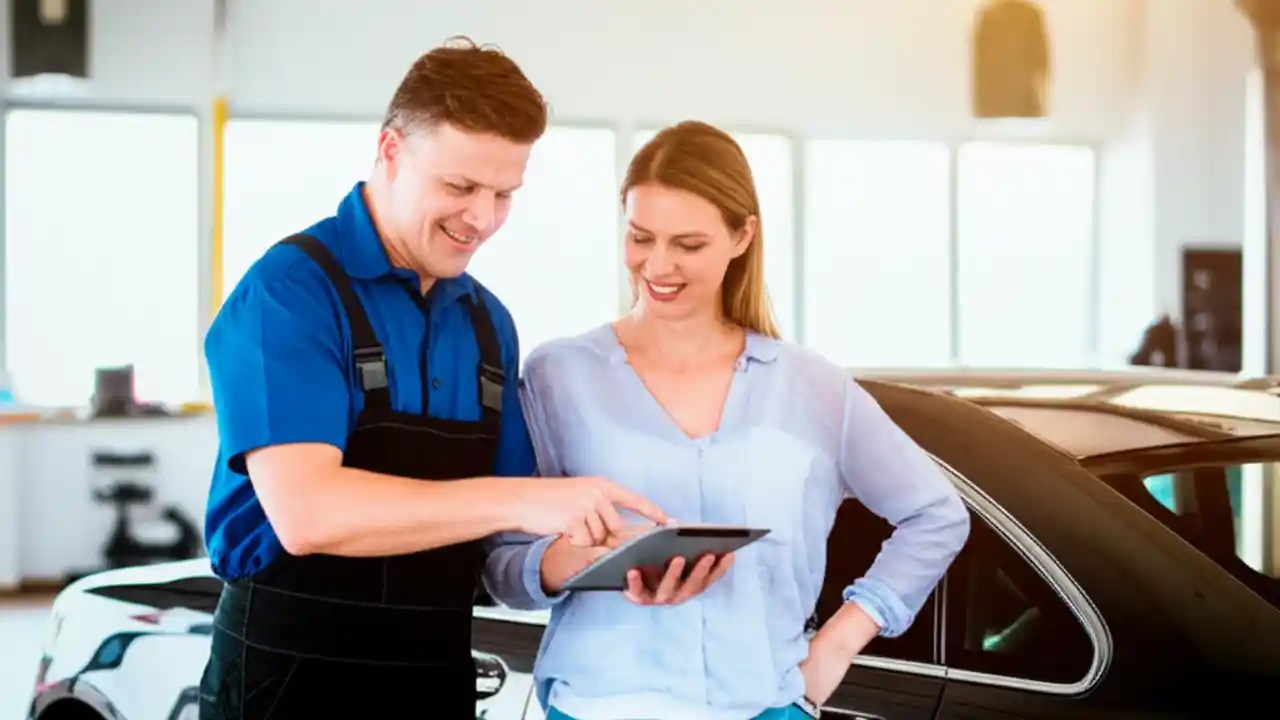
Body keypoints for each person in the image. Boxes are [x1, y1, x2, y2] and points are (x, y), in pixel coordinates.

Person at [197, 38, 667, 720]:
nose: (482, 218)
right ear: (390, 151)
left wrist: (610, 557)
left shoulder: (487, 325)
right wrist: (523, 502)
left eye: (504, 193)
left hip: (432, 682)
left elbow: (504, 554)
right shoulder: (289, 294)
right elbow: (307, 514)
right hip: (287, 687)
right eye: (459, 186)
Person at [484, 120, 971, 720]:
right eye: (640, 237)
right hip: (596, 704)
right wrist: (586, 562)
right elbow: (503, 567)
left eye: (688, 245)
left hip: (763, 706)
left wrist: (837, 647)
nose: (657, 266)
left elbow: (936, 516)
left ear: (743, 236)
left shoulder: (810, 385)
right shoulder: (559, 374)